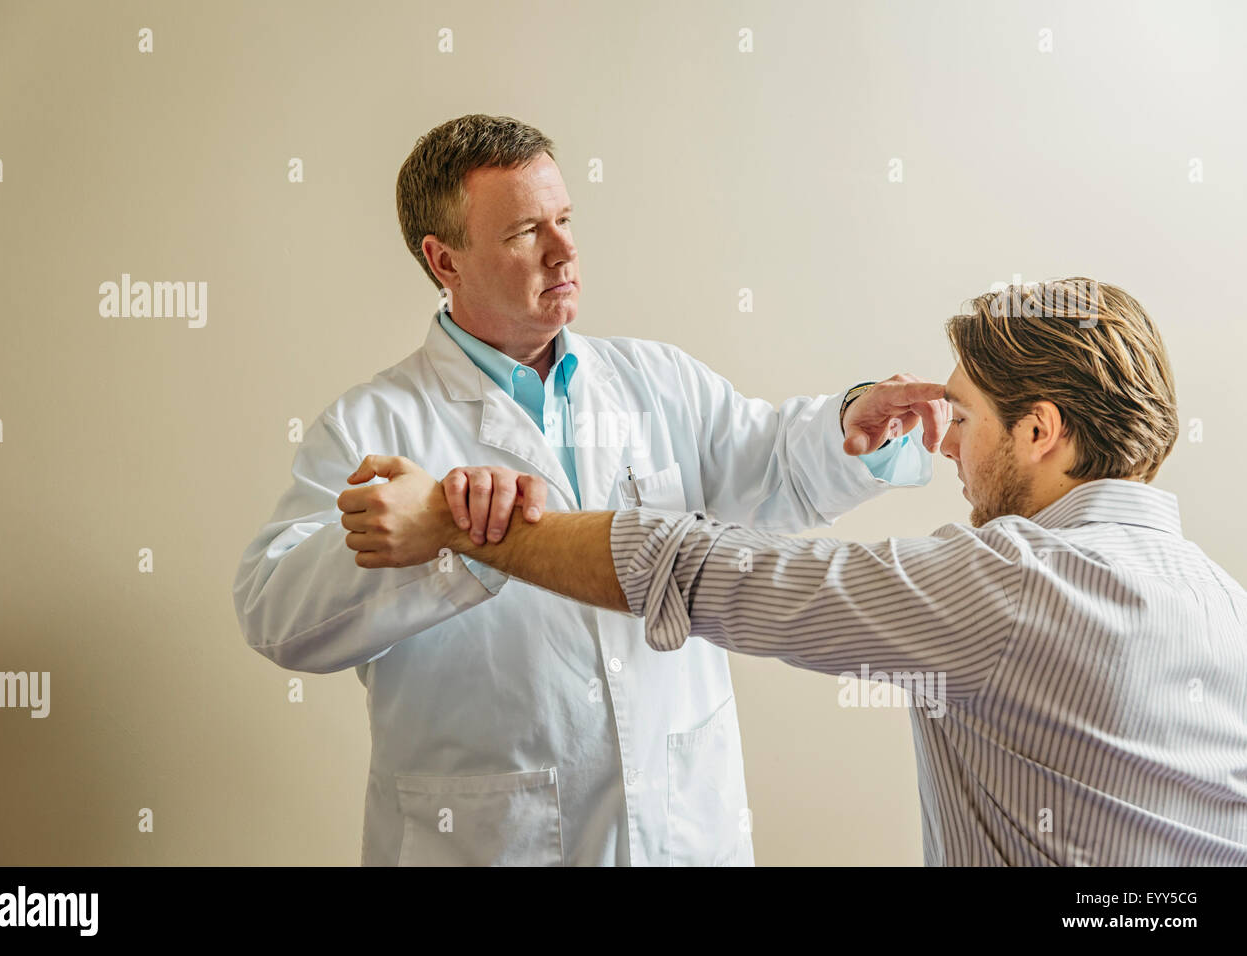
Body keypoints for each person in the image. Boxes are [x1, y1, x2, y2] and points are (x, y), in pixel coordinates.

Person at [231, 113, 947, 865]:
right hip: (487, 842)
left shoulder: (655, 379)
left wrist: (848, 422)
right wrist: (443, 532)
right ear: (445, 260)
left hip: (681, 829)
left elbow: (770, 462)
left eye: (566, 219)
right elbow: (275, 613)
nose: (565, 249)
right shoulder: (372, 425)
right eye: (524, 232)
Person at [365, 277, 1247, 865]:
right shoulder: (1224, 604)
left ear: (1040, 431)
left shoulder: (1012, 584)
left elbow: (705, 571)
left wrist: (461, 522)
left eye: (967, 417)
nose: (947, 444)